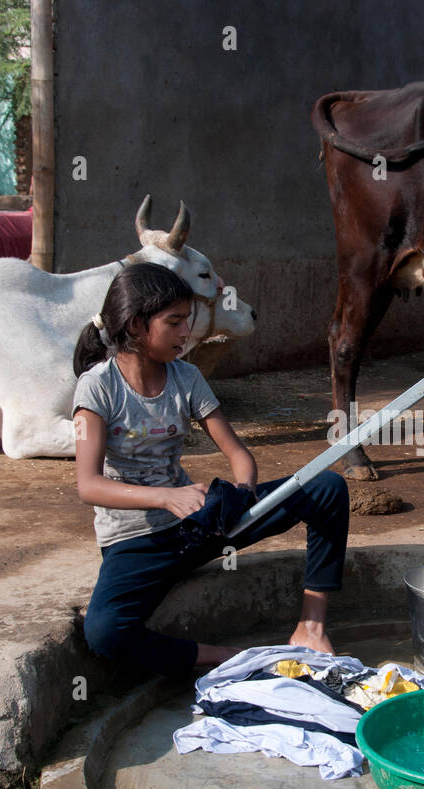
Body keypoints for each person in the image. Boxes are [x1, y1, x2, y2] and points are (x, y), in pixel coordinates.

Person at [71, 262, 348, 677]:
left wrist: (242, 493)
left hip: (199, 525)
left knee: (326, 488)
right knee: (105, 633)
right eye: (174, 322)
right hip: (135, 544)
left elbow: (238, 454)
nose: (186, 332)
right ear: (136, 325)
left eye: (188, 320)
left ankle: (310, 627)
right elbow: (88, 485)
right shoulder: (97, 387)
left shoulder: (187, 377)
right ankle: (223, 656)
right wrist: (167, 497)